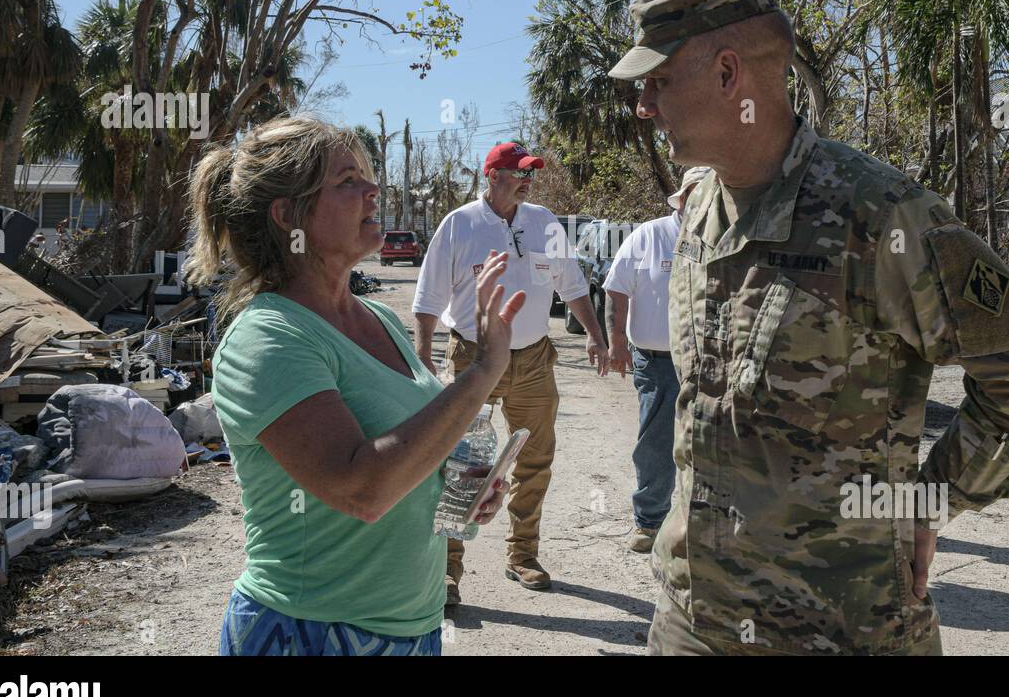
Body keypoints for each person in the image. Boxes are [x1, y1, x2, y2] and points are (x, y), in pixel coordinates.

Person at [608, 0, 1009, 656]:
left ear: (728, 74)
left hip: (838, 631)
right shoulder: (698, 206)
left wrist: (933, 498)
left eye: (660, 81)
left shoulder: (878, 215)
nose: (644, 105)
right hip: (692, 618)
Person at [187, 117, 519, 656]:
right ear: (288, 215)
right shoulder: (269, 337)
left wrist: (458, 488)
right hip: (310, 632)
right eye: (347, 181)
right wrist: (483, 370)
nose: (373, 191)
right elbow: (362, 490)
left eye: (368, 177)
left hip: (412, 629)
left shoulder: (377, 319)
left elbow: (414, 450)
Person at [413, 141, 610, 605]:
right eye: (520, 172)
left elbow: (574, 285)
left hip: (534, 358)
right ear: (492, 176)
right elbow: (427, 301)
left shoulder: (543, 222)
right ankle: (448, 568)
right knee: (462, 461)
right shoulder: (459, 224)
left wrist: (596, 336)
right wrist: (422, 359)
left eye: (531, 174)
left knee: (535, 458)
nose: (528, 181)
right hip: (472, 357)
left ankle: (523, 555)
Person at [603, 166, 709, 552]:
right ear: (680, 198)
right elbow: (616, 290)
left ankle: (698, 520)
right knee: (657, 439)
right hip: (658, 360)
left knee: (708, 439)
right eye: (693, 193)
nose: (700, 201)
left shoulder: (727, 236)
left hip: (710, 360)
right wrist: (615, 341)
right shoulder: (649, 236)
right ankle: (649, 521)